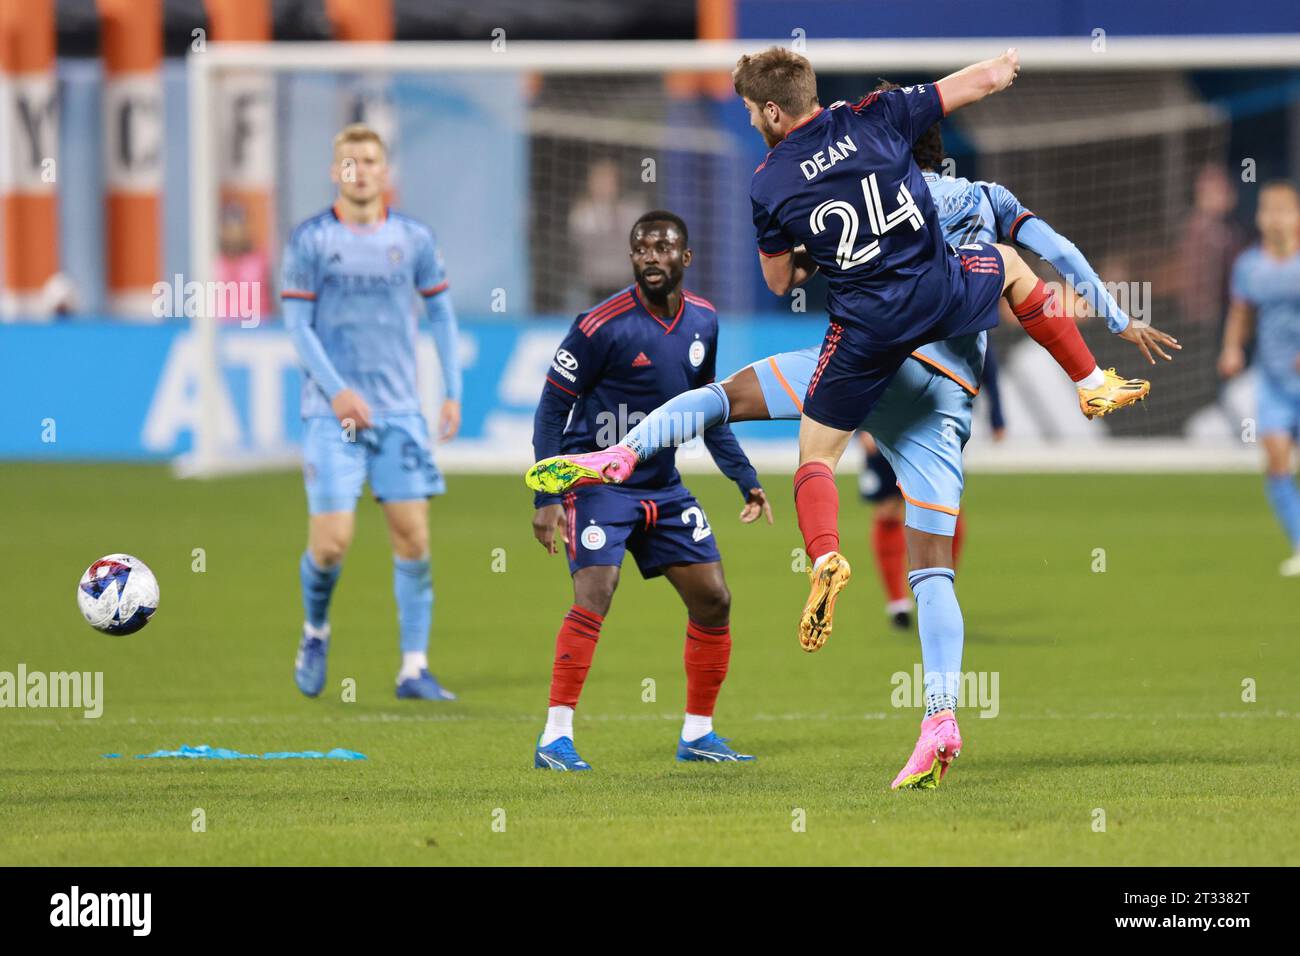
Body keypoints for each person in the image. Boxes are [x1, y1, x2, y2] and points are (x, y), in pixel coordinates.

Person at [529, 210, 771, 771]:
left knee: (714, 598)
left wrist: (746, 479)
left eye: (663, 249)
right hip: (599, 486)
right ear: (631, 257)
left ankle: (698, 733)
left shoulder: (705, 322)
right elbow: (550, 411)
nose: (651, 258)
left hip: (662, 487)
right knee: (596, 591)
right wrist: (546, 497)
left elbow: (708, 410)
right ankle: (554, 738)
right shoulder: (599, 325)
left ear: (685, 258)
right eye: (641, 249)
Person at [280, 124, 463, 701]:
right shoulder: (310, 241)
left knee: (412, 537)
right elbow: (297, 328)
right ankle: (315, 629)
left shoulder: (413, 239)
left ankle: (414, 667)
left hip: (400, 414)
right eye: (349, 161)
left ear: (386, 173)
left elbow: (441, 317)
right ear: (336, 172)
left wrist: (452, 390)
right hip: (329, 415)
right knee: (332, 543)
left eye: (370, 160)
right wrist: (336, 392)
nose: (360, 169)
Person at [1218, 180, 1300, 577]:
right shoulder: (1249, 265)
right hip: (1273, 382)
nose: (1275, 219)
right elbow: (1241, 312)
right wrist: (1232, 348)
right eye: (1267, 210)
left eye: (1283, 210)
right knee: (1277, 463)